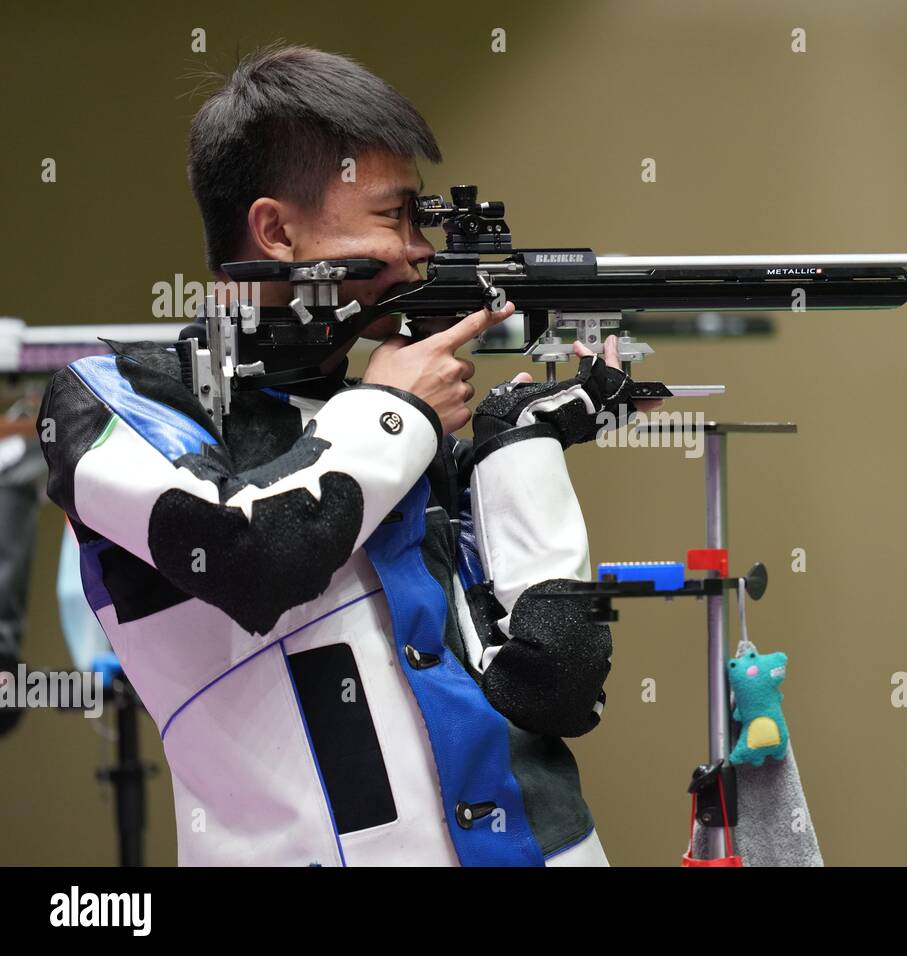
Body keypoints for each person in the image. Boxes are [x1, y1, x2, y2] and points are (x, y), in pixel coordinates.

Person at [38, 44, 654, 866]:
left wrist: (519, 449)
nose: (418, 250)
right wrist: (398, 413)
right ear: (277, 231)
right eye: (395, 217)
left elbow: (555, 687)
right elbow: (249, 554)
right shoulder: (115, 396)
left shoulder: (379, 417)